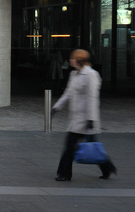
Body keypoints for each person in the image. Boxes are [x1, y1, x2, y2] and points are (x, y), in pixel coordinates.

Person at [52, 49, 116, 182]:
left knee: (84, 146)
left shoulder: (91, 75)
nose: (70, 60)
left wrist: (91, 119)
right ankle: (107, 168)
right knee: (82, 146)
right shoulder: (74, 74)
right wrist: (57, 107)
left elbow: (92, 98)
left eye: (72, 58)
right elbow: (68, 94)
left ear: (80, 60)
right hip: (76, 119)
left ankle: (64, 173)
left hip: (87, 119)